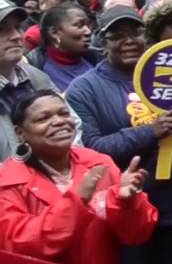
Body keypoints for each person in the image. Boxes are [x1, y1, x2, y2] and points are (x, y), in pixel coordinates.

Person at [64, 3, 172, 264]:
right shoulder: (84, 89)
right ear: (102, 42)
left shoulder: (171, 71)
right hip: (122, 210)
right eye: (117, 35)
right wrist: (150, 131)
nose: (129, 41)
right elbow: (91, 149)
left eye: (135, 33)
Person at [0, 90, 157, 264]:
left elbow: (136, 234)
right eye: (43, 119)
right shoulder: (8, 181)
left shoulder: (98, 163)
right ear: (20, 133)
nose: (59, 122)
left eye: (63, 113)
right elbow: (20, 246)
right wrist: (77, 201)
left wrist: (127, 203)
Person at [0, 0, 59, 161]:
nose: (16, 36)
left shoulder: (37, 77)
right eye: (2, 30)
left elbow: (72, 131)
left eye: (18, 27)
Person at [27, 5, 99, 91]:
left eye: (88, 25)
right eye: (79, 25)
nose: (88, 31)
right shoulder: (33, 69)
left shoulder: (99, 60)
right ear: (54, 33)